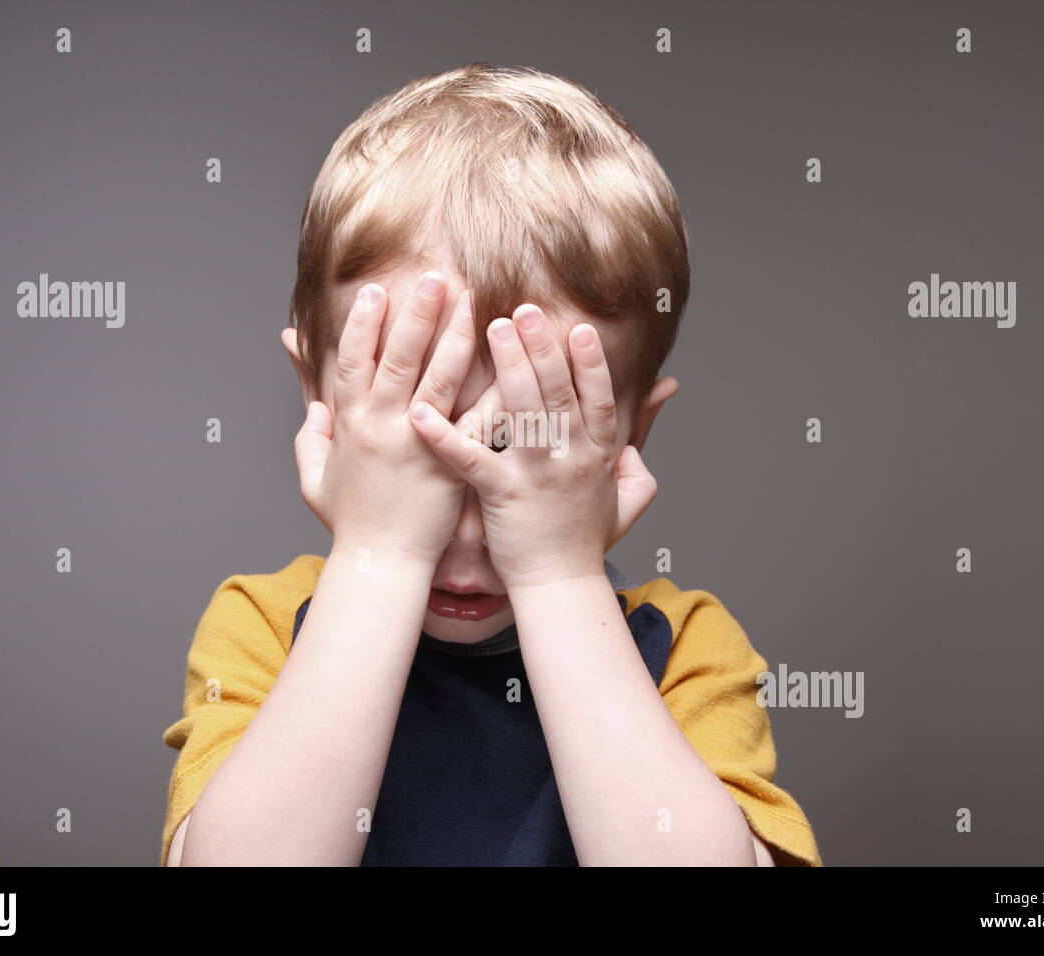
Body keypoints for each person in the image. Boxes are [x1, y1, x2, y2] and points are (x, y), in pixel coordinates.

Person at [160, 62, 821, 866]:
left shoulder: (684, 649)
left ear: (630, 437)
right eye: (418, 447)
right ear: (319, 403)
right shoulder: (264, 628)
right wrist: (382, 557)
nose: (469, 532)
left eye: (526, 451)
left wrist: (557, 576)